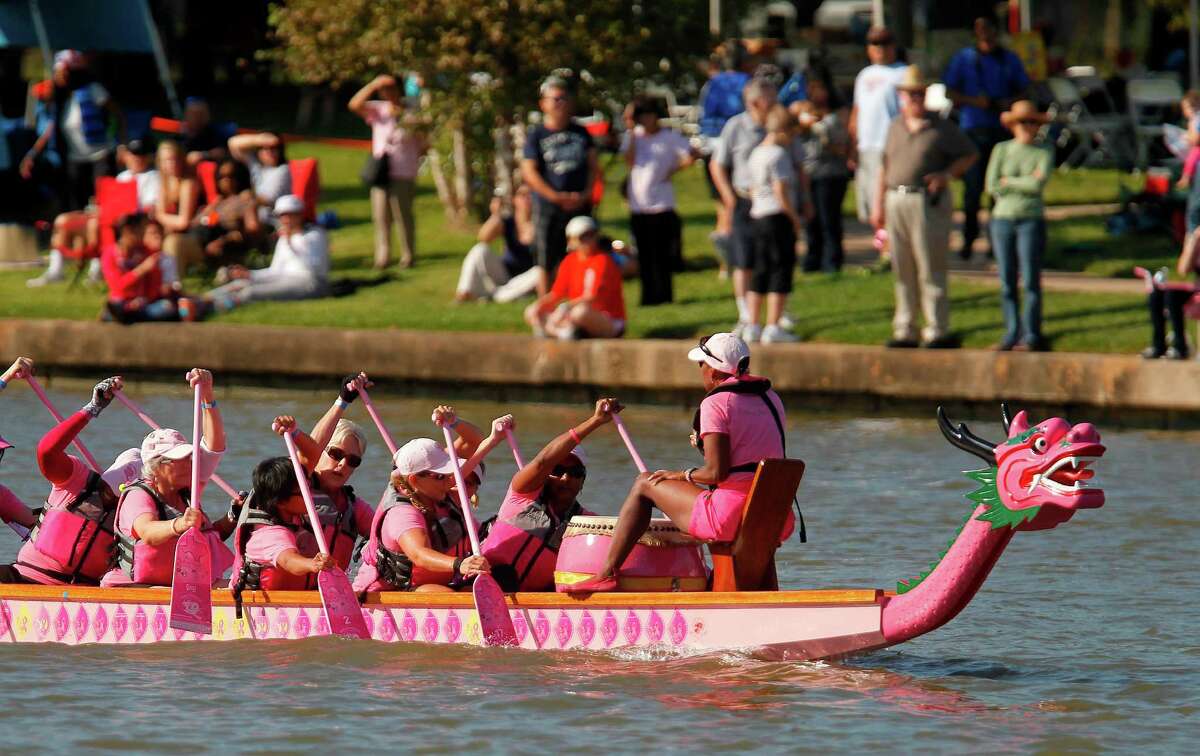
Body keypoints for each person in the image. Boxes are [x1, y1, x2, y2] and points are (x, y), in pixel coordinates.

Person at [563, 334, 793, 593]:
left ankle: (606, 573)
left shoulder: (715, 403)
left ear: (715, 369)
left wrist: (680, 475)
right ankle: (746, 589)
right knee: (702, 493)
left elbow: (717, 472)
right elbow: (748, 454)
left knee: (644, 484)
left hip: (730, 516)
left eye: (701, 364)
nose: (700, 370)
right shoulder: (771, 398)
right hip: (773, 514)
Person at [871, 66, 978, 349]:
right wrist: (878, 203)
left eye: (919, 93)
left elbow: (969, 154)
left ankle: (937, 328)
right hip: (896, 197)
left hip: (925, 200)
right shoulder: (895, 125)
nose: (914, 98)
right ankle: (905, 328)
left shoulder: (941, 126)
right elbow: (885, 166)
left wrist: (947, 175)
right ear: (902, 96)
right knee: (902, 267)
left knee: (930, 266)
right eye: (909, 94)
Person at [0, 377, 145, 585]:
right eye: (109, 488)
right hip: (24, 579)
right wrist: (92, 408)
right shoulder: (77, 481)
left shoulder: (137, 513)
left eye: (119, 495)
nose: (110, 496)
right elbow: (47, 451)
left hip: (80, 598)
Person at [101, 369, 233, 586]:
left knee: (242, 586)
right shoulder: (137, 495)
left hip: (180, 585)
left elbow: (214, 445)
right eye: (177, 459)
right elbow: (147, 531)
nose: (188, 462)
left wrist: (208, 395)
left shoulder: (187, 488)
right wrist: (179, 524)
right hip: (134, 587)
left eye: (188, 456)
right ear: (156, 468)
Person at [481, 402, 610, 592]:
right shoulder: (522, 495)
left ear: (582, 481)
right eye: (558, 470)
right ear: (546, 475)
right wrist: (596, 421)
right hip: (486, 588)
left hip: (539, 600)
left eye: (575, 472)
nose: (566, 478)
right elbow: (544, 460)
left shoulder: (587, 523)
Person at [353, 433, 490, 593]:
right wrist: (460, 564)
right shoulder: (402, 513)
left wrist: (494, 438)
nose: (449, 480)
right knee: (447, 595)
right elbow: (419, 554)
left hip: (426, 584)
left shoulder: (433, 492)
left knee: (480, 587)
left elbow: (472, 443)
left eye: (448, 473)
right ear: (414, 480)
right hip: (385, 595)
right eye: (440, 475)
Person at [943, 16, 1030, 260]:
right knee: (972, 191)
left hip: (1000, 130)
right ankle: (969, 239)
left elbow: (1024, 89)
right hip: (972, 129)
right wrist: (975, 101)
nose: (985, 38)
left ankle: (997, 242)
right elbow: (950, 91)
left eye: (989, 32)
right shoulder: (965, 59)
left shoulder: (1008, 59)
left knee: (998, 190)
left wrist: (1005, 104)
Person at [26, 137, 160, 288]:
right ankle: (56, 270)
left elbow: (149, 208)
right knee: (63, 221)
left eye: (141, 155)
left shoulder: (153, 177)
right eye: (133, 154)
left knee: (98, 225)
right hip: (106, 220)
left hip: (129, 225)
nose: (136, 159)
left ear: (148, 157)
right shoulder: (122, 177)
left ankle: (97, 269)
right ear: (126, 155)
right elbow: (109, 203)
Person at [19, 50, 125, 214]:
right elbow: (49, 129)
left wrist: (121, 143)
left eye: (63, 72)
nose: (59, 76)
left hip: (100, 154)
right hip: (75, 158)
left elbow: (117, 114)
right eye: (57, 73)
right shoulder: (60, 99)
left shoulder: (92, 90)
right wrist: (32, 154)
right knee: (76, 203)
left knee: (103, 202)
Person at [710, 77, 778, 334]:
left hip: (771, 202)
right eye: (770, 97)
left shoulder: (777, 125)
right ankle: (746, 315)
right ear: (754, 101)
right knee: (743, 259)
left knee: (772, 257)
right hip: (744, 200)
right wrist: (728, 197)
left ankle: (775, 314)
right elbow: (717, 164)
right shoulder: (736, 126)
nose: (775, 102)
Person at [985, 101, 1053, 352]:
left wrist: (1008, 181)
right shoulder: (1001, 149)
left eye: (1032, 122)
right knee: (1006, 280)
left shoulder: (1043, 151)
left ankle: (1032, 333)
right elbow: (992, 185)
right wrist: (1024, 181)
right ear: (1013, 125)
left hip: (1031, 219)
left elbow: (1038, 185)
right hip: (1002, 219)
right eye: (1023, 122)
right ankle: (1012, 331)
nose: (1027, 127)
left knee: (1031, 279)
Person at [521, 76, 598, 295]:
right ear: (543, 103)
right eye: (555, 99)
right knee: (545, 258)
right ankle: (545, 306)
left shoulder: (581, 132)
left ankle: (577, 304)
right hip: (548, 205)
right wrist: (554, 196)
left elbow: (593, 166)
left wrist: (585, 194)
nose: (560, 103)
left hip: (578, 203)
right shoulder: (537, 134)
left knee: (581, 254)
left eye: (564, 98)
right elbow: (529, 171)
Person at [229, 450, 331, 612]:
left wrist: (295, 432)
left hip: (290, 598)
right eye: (303, 492)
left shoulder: (290, 514)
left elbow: (310, 454)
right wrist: (313, 564)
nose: (311, 496)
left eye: (309, 488)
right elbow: (289, 561)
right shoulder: (270, 535)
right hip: (257, 609)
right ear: (281, 501)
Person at [745, 105, 811, 344]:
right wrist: (795, 219)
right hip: (777, 216)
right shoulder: (779, 154)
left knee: (760, 269)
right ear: (783, 131)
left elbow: (751, 188)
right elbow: (780, 190)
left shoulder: (756, 153)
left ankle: (752, 324)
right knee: (780, 269)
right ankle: (773, 326)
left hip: (758, 215)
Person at [624, 96, 699, 306]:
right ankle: (648, 297)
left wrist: (675, 168)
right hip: (639, 206)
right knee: (644, 255)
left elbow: (693, 153)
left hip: (662, 205)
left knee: (663, 255)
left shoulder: (669, 137)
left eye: (648, 115)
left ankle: (665, 295)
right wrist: (630, 128)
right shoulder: (634, 137)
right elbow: (628, 160)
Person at [349, 74, 428, 270]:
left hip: (404, 170)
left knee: (403, 215)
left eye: (392, 88)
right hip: (381, 170)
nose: (388, 93)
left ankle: (408, 255)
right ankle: (382, 256)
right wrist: (374, 83)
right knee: (381, 216)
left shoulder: (412, 111)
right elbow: (354, 104)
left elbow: (425, 141)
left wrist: (404, 120)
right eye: (385, 89)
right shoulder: (379, 109)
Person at [201, 195, 329, 314]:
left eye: (290, 215)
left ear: (299, 215)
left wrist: (291, 241)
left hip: (311, 283)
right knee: (239, 284)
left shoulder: (315, 235)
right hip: (285, 279)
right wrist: (250, 274)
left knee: (251, 292)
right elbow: (276, 270)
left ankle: (208, 308)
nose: (285, 220)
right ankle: (199, 300)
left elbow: (312, 268)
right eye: (282, 216)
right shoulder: (284, 239)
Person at [524, 216, 626, 339]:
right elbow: (557, 293)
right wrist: (539, 306)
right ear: (571, 240)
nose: (588, 240)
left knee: (580, 312)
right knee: (532, 311)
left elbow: (591, 297)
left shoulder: (602, 260)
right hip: (577, 312)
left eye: (591, 235)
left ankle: (560, 331)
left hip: (608, 318)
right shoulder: (570, 261)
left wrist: (565, 307)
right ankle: (563, 332)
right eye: (583, 236)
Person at [849, 27, 906, 247]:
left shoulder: (903, 72)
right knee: (871, 199)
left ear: (893, 46)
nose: (880, 49)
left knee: (887, 199)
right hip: (867, 145)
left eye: (884, 43)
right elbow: (857, 111)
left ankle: (892, 249)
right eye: (874, 44)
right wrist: (852, 142)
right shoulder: (864, 75)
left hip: (890, 144)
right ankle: (882, 245)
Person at [796, 67, 852, 273]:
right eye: (810, 88)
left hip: (830, 174)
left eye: (818, 88)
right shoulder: (802, 110)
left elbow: (842, 147)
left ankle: (832, 260)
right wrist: (803, 122)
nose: (814, 93)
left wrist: (822, 133)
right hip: (809, 172)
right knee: (811, 219)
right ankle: (813, 258)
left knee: (829, 219)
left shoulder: (838, 115)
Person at [455, 185, 539, 303]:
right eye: (522, 195)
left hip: (526, 278)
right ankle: (465, 292)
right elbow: (483, 237)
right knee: (479, 249)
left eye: (530, 195)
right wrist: (495, 215)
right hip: (505, 275)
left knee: (539, 272)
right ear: (515, 199)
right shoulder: (508, 222)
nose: (526, 199)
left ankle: (496, 296)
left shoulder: (542, 223)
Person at [100, 213, 179, 324]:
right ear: (127, 231)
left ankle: (130, 316)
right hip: (121, 303)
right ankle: (126, 315)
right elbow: (117, 286)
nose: (143, 235)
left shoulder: (145, 252)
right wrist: (141, 270)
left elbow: (154, 287)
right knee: (117, 307)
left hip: (142, 304)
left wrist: (144, 299)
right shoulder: (110, 254)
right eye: (140, 231)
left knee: (166, 308)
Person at [191, 158, 261, 270]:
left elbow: (252, 229)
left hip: (230, 245)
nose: (226, 180)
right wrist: (211, 207)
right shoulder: (217, 203)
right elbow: (195, 224)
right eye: (222, 177)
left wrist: (224, 240)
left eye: (231, 176)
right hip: (204, 239)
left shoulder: (245, 200)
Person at [1142, 231, 1200, 360]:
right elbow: (1183, 269)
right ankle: (1159, 345)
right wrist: (1194, 240)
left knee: (1172, 297)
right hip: (1196, 289)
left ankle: (1180, 347)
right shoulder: (1198, 238)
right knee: (1159, 294)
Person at [155, 139, 203, 275]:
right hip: (171, 234)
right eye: (166, 160)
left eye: (174, 159)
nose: (171, 164)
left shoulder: (188, 183)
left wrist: (160, 216)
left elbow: (183, 222)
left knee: (172, 243)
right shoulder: (164, 183)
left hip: (194, 237)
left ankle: (173, 285)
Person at [228, 131, 292, 222]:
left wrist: (244, 198)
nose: (269, 152)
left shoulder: (283, 170)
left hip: (273, 222)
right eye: (264, 148)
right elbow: (232, 143)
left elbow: (267, 199)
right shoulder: (257, 166)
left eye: (274, 148)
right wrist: (259, 139)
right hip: (256, 218)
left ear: (280, 150)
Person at [180, 97, 229, 166]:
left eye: (201, 114)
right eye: (194, 114)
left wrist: (203, 155)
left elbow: (222, 152)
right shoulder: (180, 136)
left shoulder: (216, 132)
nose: (197, 118)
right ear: (187, 115)